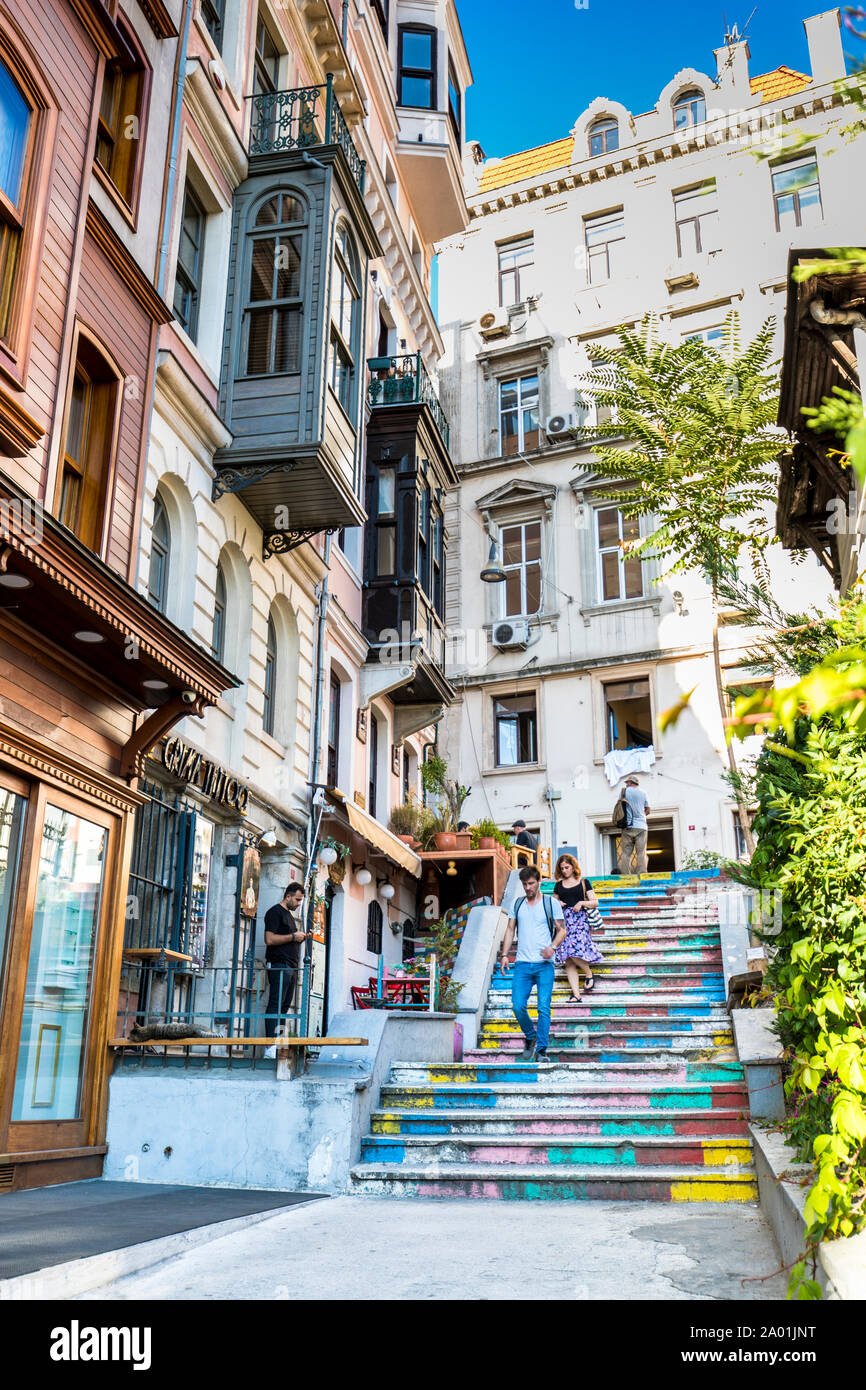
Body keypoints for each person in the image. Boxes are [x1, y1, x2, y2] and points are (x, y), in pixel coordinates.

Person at [499, 865, 566, 1060]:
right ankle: (530, 1036)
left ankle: (542, 1050)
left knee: (543, 1007)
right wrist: (504, 954)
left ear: (539, 883)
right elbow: (510, 929)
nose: (527, 888)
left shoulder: (550, 903)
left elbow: (562, 930)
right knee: (517, 1005)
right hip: (522, 964)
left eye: (531, 883)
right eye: (524, 884)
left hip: (544, 965)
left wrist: (552, 948)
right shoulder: (517, 904)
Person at [262, 884, 309, 1057]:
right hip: (279, 965)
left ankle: (279, 1043)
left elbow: (289, 941)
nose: (299, 903)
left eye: (301, 900)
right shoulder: (274, 912)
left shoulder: (289, 916)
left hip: (291, 966)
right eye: (297, 899)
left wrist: (301, 938)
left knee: (283, 1008)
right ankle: (270, 1046)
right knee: (275, 1005)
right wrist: (292, 936)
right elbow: (269, 939)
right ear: (287, 897)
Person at [553, 854, 603, 999]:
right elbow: (552, 903)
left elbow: (595, 902)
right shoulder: (558, 885)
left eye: (567, 867)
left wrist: (581, 903)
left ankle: (588, 973)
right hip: (564, 922)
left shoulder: (584, 882)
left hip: (580, 920)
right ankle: (576, 995)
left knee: (572, 951)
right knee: (568, 960)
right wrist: (558, 903)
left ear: (573, 867)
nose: (564, 870)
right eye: (562, 868)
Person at [618, 776, 650, 875]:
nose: (626, 784)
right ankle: (643, 873)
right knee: (641, 852)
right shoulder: (644, 793)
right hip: (641, 827)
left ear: (631, 783)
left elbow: (619, 806)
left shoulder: (624, 792)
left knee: (626, 853)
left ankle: (626, 875)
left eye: (627, 783)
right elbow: (648, 810)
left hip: (627, 826)